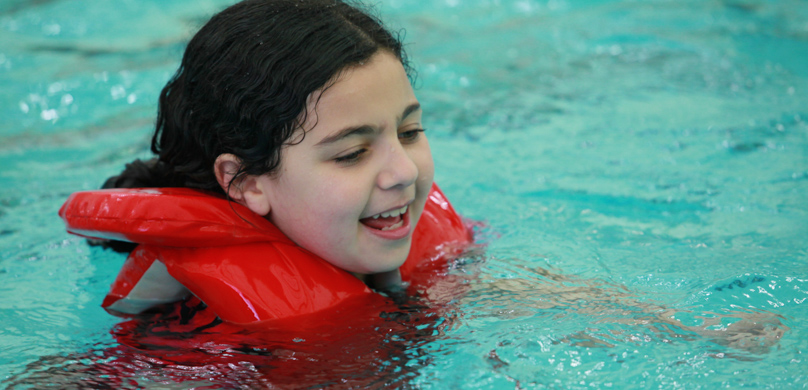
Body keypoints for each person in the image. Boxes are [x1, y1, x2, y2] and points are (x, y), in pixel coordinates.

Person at [91, 0, 461, 295]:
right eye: (351, 154)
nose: (405, 171)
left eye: (409, 132)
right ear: (247, 183)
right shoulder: (193, 345)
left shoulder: (451, 256)